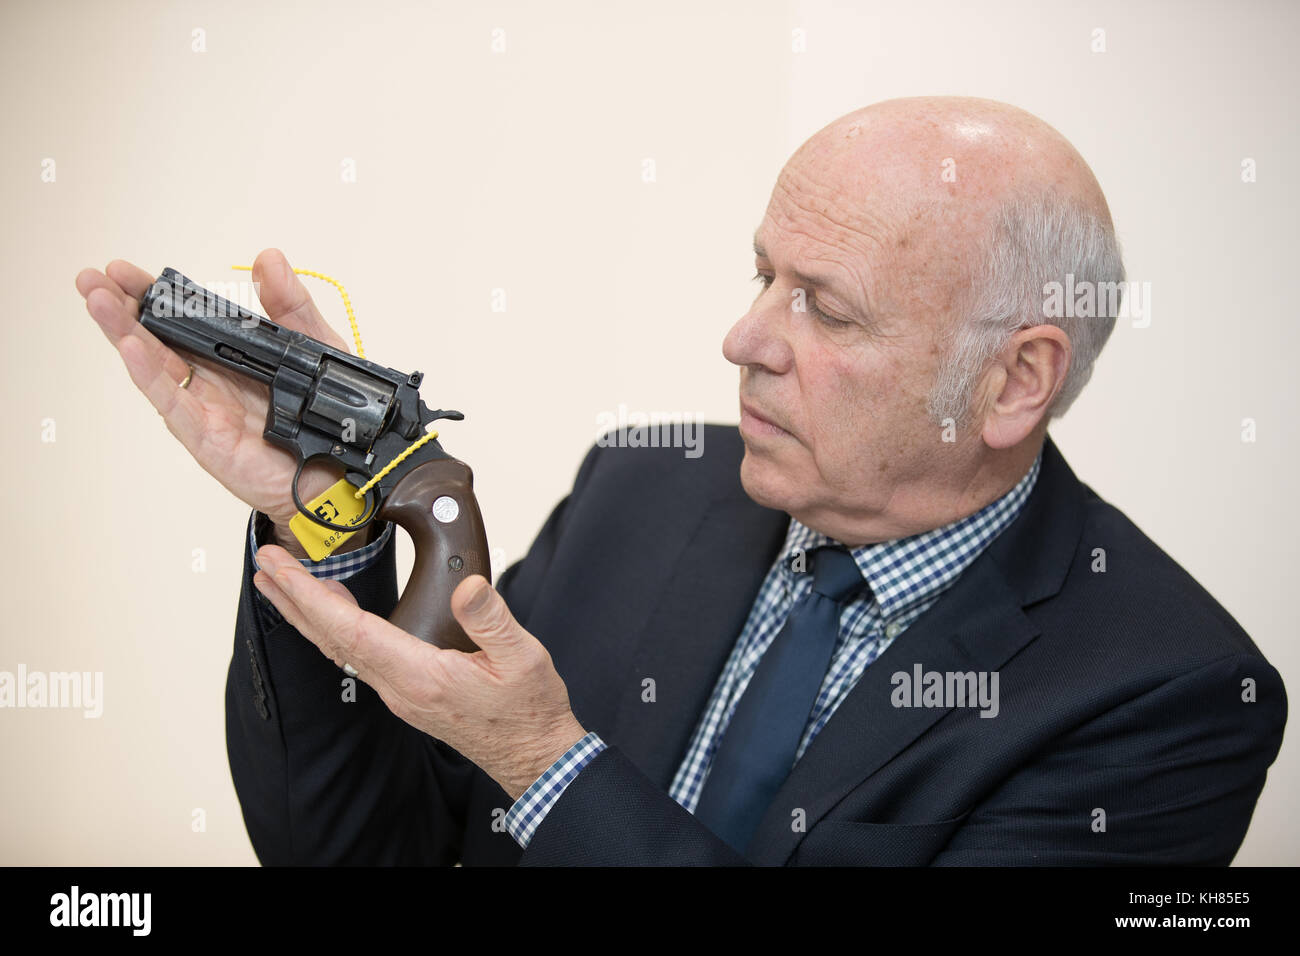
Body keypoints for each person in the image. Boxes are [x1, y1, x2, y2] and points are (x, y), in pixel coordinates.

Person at [77, 96, 1286, 865]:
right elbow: (354, 847)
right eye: (762, 273)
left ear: (1015, 380)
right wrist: (334, 528)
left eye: (826, 306)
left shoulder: (1168, 692)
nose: (743, 338)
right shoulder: (640, 490)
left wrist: (551, 768)